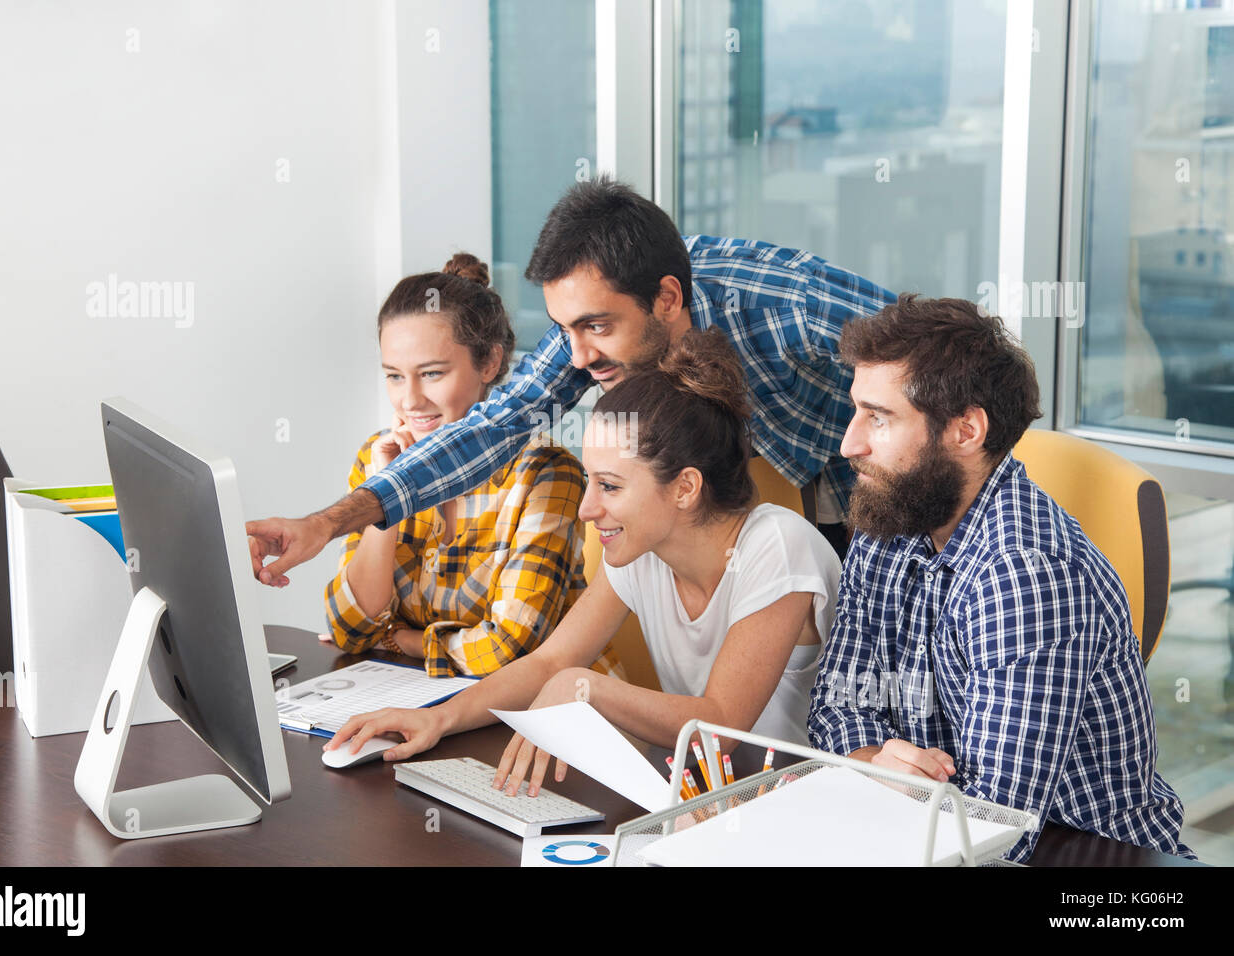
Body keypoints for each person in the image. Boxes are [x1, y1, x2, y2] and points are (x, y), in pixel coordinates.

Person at [246, 177, 895, 586]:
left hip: (870, 473)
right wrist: (327, 524)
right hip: (756, 493)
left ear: (667, 298)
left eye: (594, 327)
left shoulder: (789, 303)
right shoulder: (589, 332)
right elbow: (497, 427)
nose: (578, 357)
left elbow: (945, 361)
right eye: (564, 328)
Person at [324, 330, 842, 791]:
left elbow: (720, 725)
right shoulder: (643, 550)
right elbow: (552, 661)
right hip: (707, 801)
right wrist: (440, 719)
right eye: (591, 479)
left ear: (685, 487)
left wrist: (589, 688)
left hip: (801, 813)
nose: (588, 508)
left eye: (610, 486)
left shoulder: (777, 544)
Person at [806, 293, 1193, 863]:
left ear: (966, 431)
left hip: (1090, 864)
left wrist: (885, 780)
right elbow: (834, 707)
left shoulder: (1025, 576)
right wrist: (870, 762)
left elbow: (992, 829)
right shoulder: (891, 517)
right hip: (924, 834)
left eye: (879, 418)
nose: (849, 443)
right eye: (856, 410)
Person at [324, 253, 618, 678]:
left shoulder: (546, 473)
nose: (409, 400)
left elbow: (506, 649)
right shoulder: (378, 458)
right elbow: (349, 628)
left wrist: (398, 639)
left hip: (546, 712)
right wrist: (385, 489)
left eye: (431, 374)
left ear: (490, 363)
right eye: (394, 376)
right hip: (429, 700)